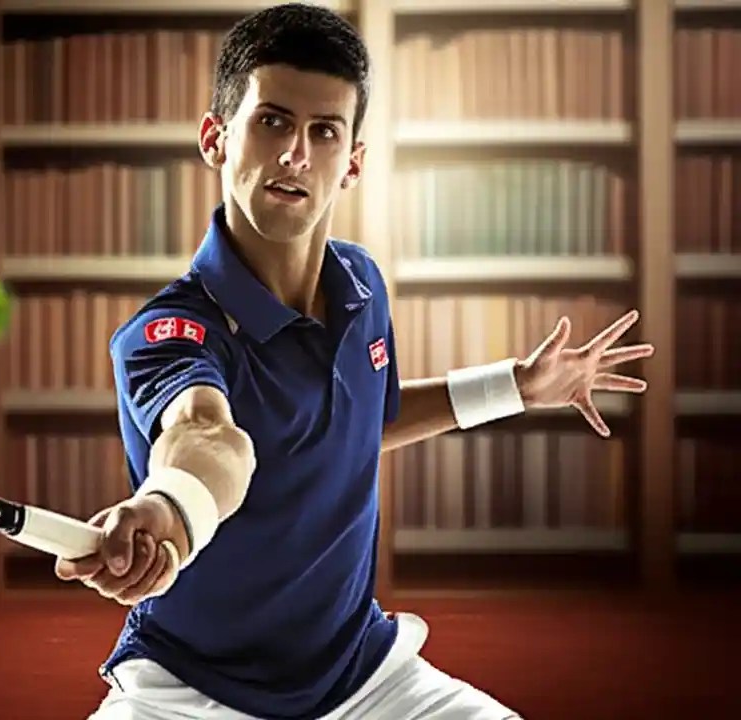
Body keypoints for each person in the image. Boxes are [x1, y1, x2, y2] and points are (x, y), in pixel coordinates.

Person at [53, 4, 656, 719]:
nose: (295, 155)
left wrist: (518, 386)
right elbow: (210, 439)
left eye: (324, 132)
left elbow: (364, 416)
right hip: (189, 691)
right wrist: (169, 507)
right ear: (215, 137)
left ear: (354, 163)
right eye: (271, 121)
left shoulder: (361, 284)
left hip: (362, 675)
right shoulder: (168, 330)